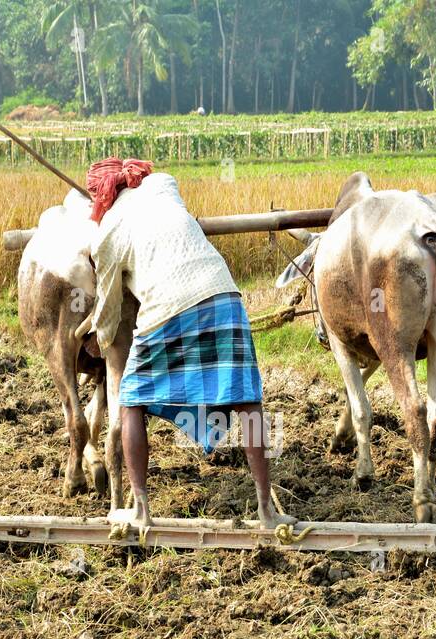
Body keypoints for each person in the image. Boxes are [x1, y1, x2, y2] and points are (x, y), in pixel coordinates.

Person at [86, 157, 296, 535]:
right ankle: (267, 510)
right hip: (224, 297)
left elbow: (110, 305)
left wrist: (100, 340)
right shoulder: (163, 185)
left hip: (168, 308)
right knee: (246, 398)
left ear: (100, 195)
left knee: (131, 399)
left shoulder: (106, 234)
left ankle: (141, 510)